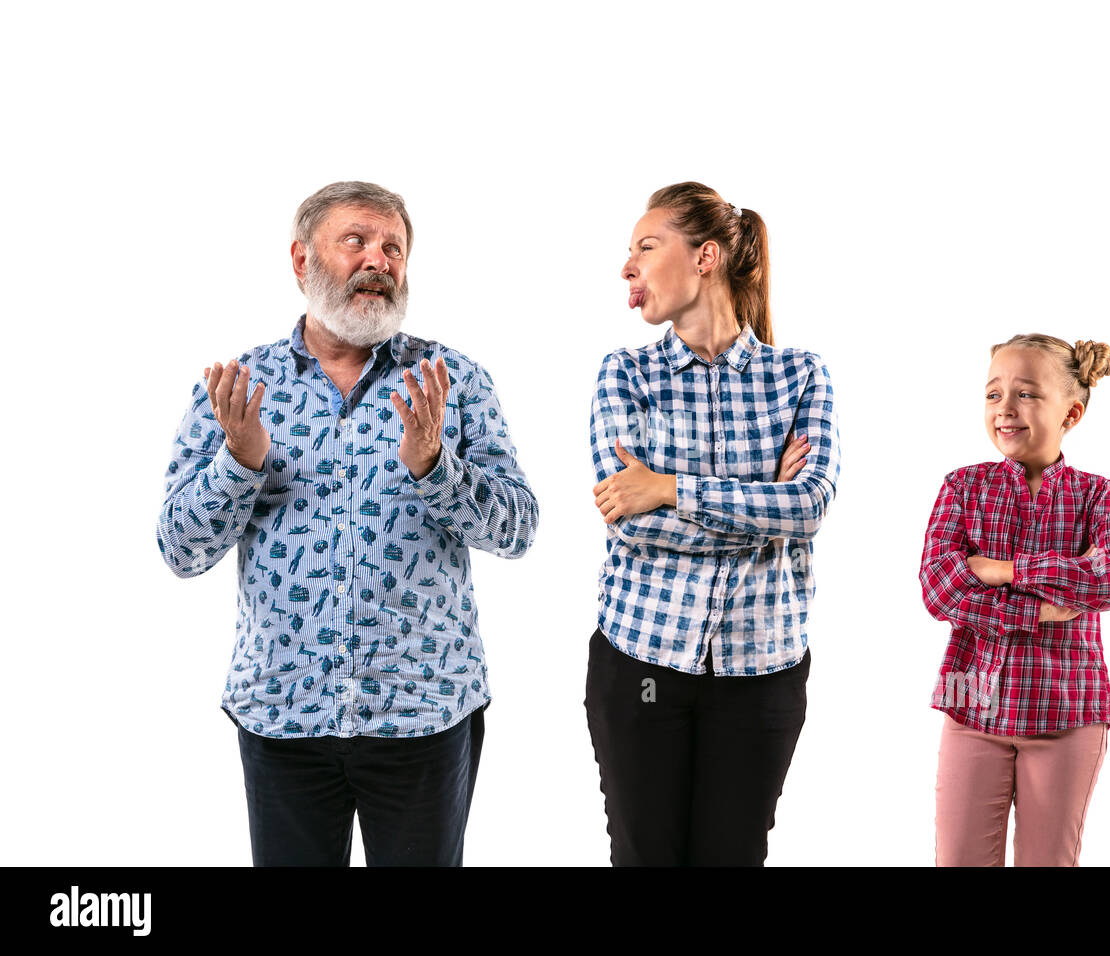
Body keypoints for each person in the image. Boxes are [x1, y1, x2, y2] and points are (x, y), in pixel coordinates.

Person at [156, 181, 539, 866]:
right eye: (356, 241)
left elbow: (518, 531)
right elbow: (180, 551)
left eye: (394, 248)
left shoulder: (453, 382)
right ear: (301, 261)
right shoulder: (238, 387)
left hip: (425, 714)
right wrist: (238, 464)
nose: (379, 260)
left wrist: (435, 468)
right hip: (283, 719)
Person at [585, 182, 841, 866]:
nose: (627, 267)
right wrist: (767, 506)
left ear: (705, 258)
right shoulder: (624, 376)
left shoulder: (801, 376)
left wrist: (667, 488)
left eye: (646, 246)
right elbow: (631, 525)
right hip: (642, 667)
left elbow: (812, 502)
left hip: (761, 671)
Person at [918, 333, 1110, 866]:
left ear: (1072, 412)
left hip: (1068, 709)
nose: (1005, 410)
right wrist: (1039, 606)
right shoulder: (963, 487)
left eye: (1027, 394)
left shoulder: (1095, 494)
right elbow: (939, 587)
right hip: (972, 703)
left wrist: (1003, 570)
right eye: (993, 395)